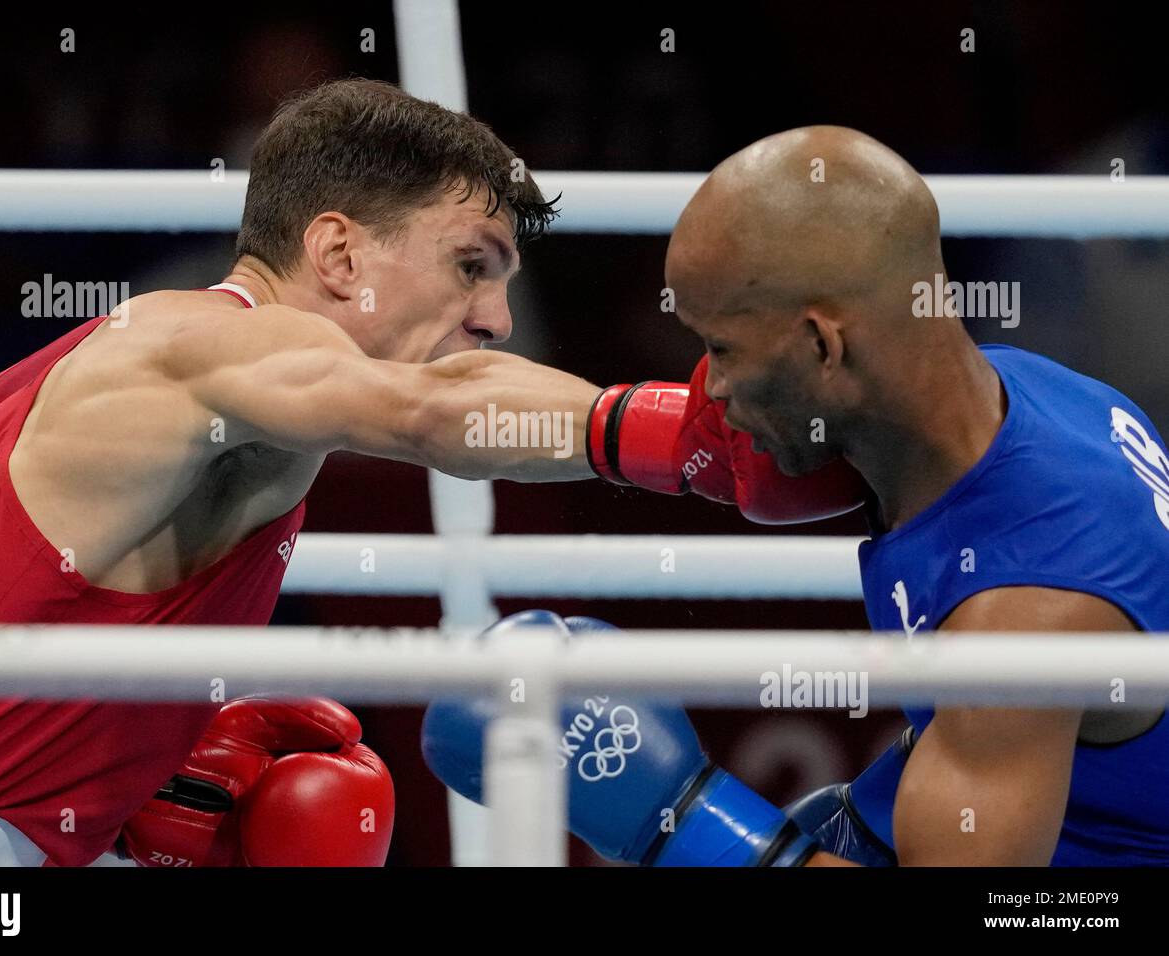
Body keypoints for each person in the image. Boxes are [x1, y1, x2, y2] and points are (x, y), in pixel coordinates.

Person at [0, 79, 852, 866]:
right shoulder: (205, 347)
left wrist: (131, 753)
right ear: (339, 251)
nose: (495, 316)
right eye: (470, 263)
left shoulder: (74, 378)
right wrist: (687, 440)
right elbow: (435, 407)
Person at [427, 127, 1169, 866]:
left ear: (822, 345)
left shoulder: (1022, 616)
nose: (709, 384)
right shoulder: (1004, 399)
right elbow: (580, 422)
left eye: (721, 348)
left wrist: (678, 815)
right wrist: (389, 398)